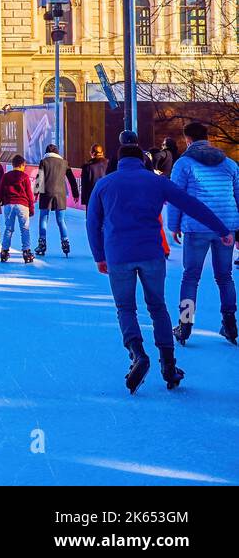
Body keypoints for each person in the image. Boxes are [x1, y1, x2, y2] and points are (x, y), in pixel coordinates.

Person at [86, 134, 232, 393]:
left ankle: (138, 354)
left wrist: (99, 255)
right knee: (157, 307)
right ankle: (168, 365)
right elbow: (192, 205)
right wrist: (221, 228)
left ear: (119, 161)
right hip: (151, 254)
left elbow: (92, 222)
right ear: (142, 160)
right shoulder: (156, 181)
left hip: (118, 255)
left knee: (126, 308)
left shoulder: (105, 184)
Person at [167, 121, 239, 345]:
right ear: (207, 137)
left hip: (196, 226)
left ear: (188, 139)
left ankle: (185, 324)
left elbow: (176, 197)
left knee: (191, 277)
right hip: (226, 227)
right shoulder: (229, 164)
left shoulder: (184, 164)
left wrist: (174, 225)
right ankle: (230, 323)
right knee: (225, 277)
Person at [34, 144, 80, 256]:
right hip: (60, 194)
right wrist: (75, 193)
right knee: (61, 220)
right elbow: (71, 179)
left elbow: (40, 177)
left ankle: (42, 243)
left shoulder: (44, 162)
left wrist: (36, 192)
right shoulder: (64, 163)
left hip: (46, 194)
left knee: (44, 219)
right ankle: (65, 242)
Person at [0, 155, 36, 263]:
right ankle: (26, 252)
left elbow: (0, 191)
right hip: (22, 205)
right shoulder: (25, 177)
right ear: (22, 165)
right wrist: (31, 208)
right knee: (25, 229)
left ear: (13, 165)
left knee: (9, 229)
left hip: (9, 204)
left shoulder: (6, 176)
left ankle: (4, 251)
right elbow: (29, 194)